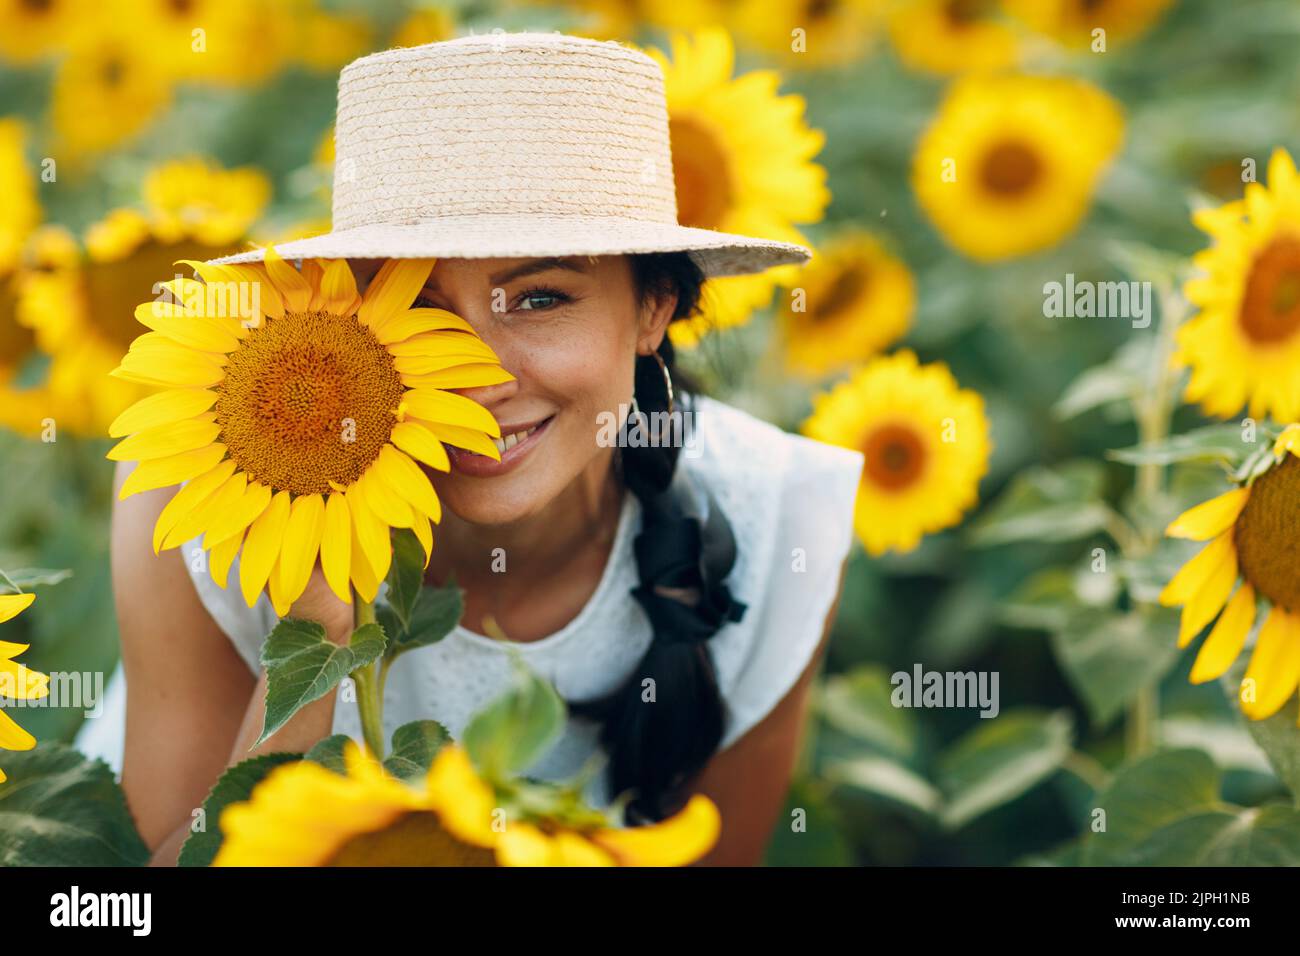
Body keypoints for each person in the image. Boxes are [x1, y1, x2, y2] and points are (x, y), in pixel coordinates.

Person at [80, 31, 863, 866]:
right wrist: (314, 615)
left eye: (537, 298)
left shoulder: (778, 522)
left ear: (653, 307)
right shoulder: (207, 494)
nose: (475, 378)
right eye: (417, 304)